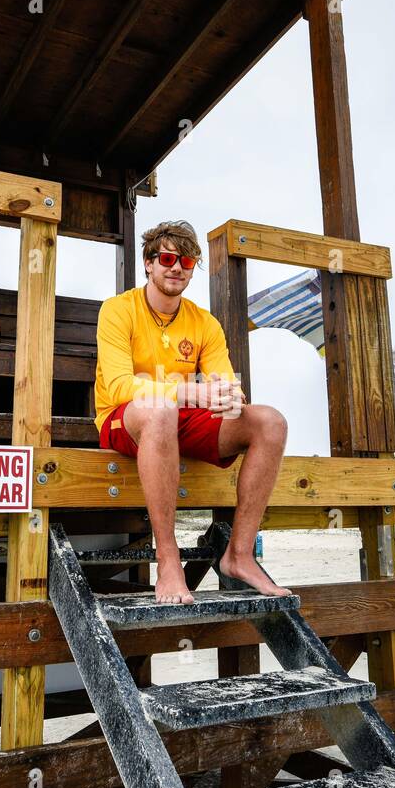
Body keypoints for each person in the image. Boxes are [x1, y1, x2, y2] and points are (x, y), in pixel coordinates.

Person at [94, 220, 291, 605]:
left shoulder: (204, 322)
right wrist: (193, 392)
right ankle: (168, 561)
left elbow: (223, 383)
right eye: (166, 258)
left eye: (186, 260)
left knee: (270, 421)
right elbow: (119, 386)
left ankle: (239, 555)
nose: (176, 267)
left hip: (176, 418)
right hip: (125, 418)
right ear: (149, 264)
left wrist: (230, 399)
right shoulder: (118, 310)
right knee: (161, 409)